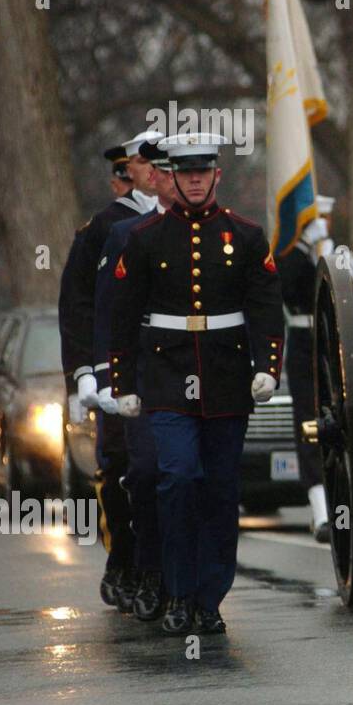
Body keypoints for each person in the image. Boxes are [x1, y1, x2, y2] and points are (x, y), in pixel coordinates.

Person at [109, 133, 284, 636]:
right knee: (179, 478)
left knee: (220, 492)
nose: (194, 179)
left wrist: (268, 364)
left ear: (216, 175)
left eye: (202, 171)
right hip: (166, 377)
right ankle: (179, 593)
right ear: (172, 175)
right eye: (185, 172)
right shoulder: (144, 239)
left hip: (227, 378)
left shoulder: (246, 236)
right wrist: (121, 381)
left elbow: (266, 307)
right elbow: (122, 317)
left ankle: (210, 600)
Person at [59, 130, 161, 610]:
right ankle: (124, 558)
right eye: (143, 164)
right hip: (115, 369)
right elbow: (81, 306)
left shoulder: (179, 220)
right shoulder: (103, 228)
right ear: (129, 173)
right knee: (120, 466)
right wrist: (83, 373)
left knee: (163, 468)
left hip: (166, 366)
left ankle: (162, 567)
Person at [92, 138, 178, 620]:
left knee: (193, 477)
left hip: (196, 374)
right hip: (144, 376)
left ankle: (189, 583)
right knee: (143, 473)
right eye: (163, 172)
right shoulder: (123, 233)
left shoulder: (227, 233)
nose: (170, 180)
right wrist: (103, 375)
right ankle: (144, 567)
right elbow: (104, 312)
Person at [277, 195, 335, 543]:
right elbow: (288, 288)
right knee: (308, 421)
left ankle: (338, 504)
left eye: (326, 218)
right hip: (302, 340)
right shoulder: (289, 256)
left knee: (336, 420)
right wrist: (306, 253)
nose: (323, 224)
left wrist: (325, 254)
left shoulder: (332, 250)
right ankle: (320, 510)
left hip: (332, 340)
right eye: (317, 218)